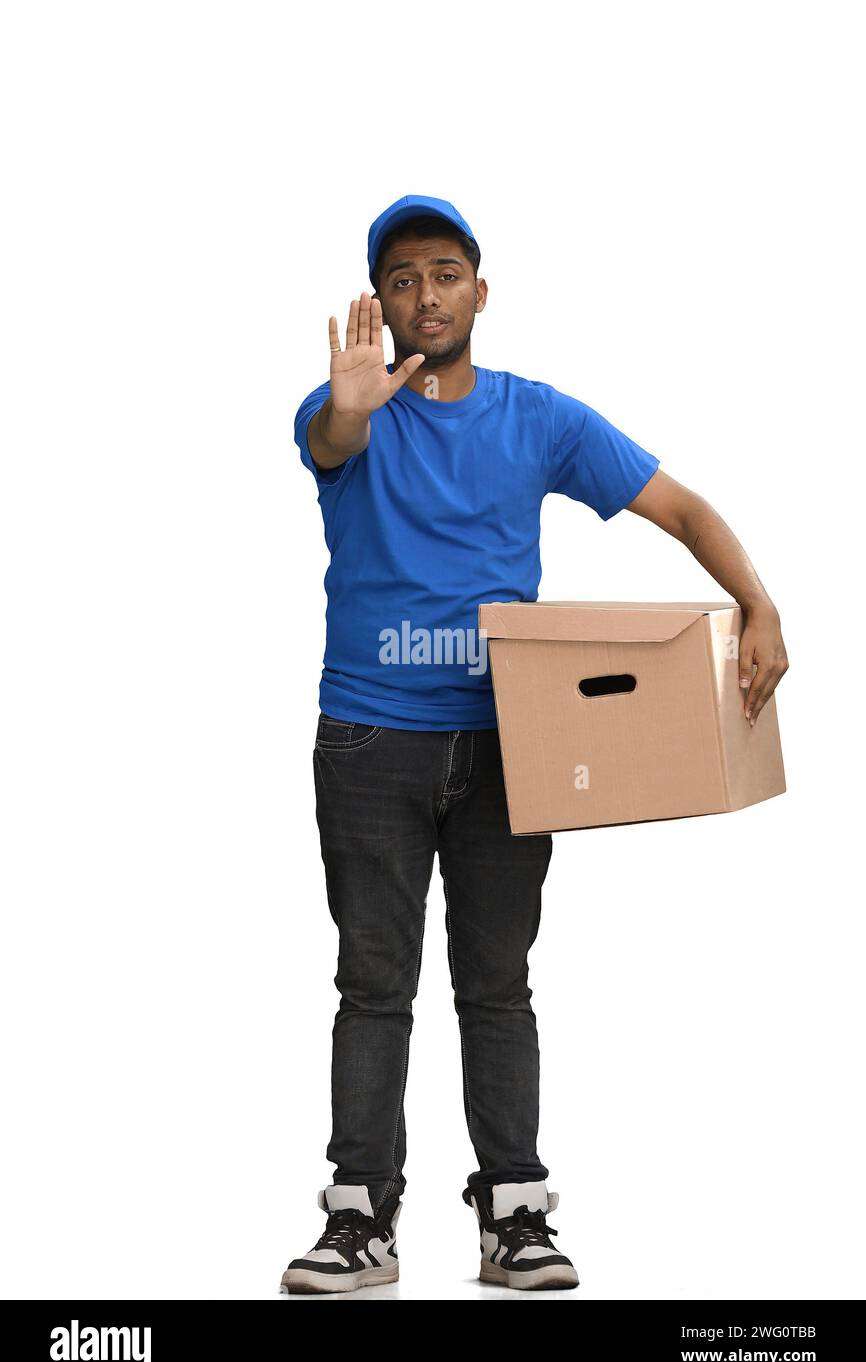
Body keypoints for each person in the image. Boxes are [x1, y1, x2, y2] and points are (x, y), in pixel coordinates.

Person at [280, 195, 789, 1295]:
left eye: (446, 272)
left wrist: (757, 603)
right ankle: (359, 1215)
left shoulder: (538, 418)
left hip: (513, 739)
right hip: (370, 739)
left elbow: (680, 506)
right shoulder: (344, 409)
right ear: (382, 299)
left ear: (479, 291)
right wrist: (351, 403)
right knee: (374, 983)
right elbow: (332, 437)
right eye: (404, 278)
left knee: (495, 983)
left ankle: (513, 1212)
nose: (427, 295)